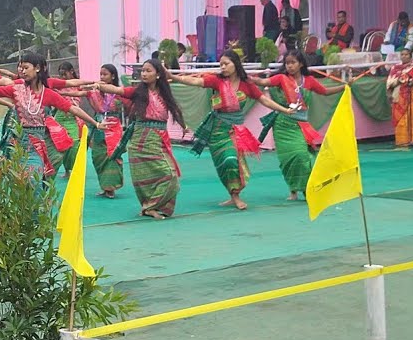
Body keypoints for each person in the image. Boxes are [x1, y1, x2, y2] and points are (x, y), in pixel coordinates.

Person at [170, 51, 294, 210]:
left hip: (235, 131)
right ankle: (232, 194)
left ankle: (235, 195)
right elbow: (194, 82)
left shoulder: (246, 84)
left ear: (235, 64)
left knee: (232, 160)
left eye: (226, 63)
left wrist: (283, 109)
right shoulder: (216, 80)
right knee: (224, 163)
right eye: (221, 64)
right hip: (217, 131)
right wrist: (173, 77)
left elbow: (264, 100)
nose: (223, 67)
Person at [85, 60, 183, 218]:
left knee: (170, 176)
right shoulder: (137, 92)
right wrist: (100, 86)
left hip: (159, 139)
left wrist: (183, 126)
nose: (143, 74)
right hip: (141, 139)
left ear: (158, 74)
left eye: (148, 71)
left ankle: (152, 206)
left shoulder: (164, 93)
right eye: (142, 71)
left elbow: (175, 108)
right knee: (149, 176)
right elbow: (117, 89)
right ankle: (149, 207)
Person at [253, 53, 346, 199]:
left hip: (301, 125)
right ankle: (293, 190)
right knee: (288, 158)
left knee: (302, 156)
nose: (289, 66)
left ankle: (307, 188)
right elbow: (262, 82)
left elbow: (325, 92)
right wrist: (244, 77)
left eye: (293, 62)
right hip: (282, 124)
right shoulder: (281, 78)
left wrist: (345, 86)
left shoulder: (309, 81)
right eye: (287, 63)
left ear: (301, 64)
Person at [79, 64, 130, 198]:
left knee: (112, 157)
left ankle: (110, 188)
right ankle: (104, 186)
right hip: (99, 128)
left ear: (113, 76)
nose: (102, 77)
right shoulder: (96, 91)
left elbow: (131, 104)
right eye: (100, 74)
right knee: (98, 156)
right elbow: (79, 92)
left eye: (105, 74)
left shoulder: (120, 92)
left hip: (114, 129)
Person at [386, 48, 413, 149]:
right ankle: (402, 140)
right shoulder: (395, 68)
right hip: (399, 96)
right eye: (402, 54)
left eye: (406, 55)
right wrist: (399, 81)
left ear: (410, 56)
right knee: (401, 118)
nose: (404, 56)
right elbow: (389, 83)